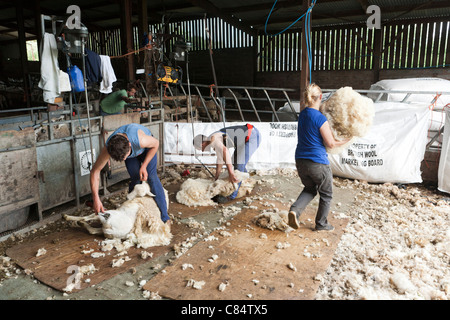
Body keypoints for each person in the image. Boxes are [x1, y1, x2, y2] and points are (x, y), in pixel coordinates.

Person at [288, 84, 350, 232]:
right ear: (321, 97)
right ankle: (321, 224)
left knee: (310, 188)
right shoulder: (320, 118)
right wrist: (347, 140)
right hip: (317, 162)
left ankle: (295, 211)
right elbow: (331, 143)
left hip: (301, 161)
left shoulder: (302, 114)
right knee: (326, 194)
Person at [90, 123, 170, 224]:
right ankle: (132, 215)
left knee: (151, 176)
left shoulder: (141, 140)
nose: (123, 159)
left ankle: (165, 217)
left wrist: (144, 166)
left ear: (130, 144)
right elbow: (95, 171)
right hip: (131, 154)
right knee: (135, 177)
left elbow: (156, 144)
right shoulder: (108, 148)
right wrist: (96, 198)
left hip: (147, 149)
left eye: (125, 156)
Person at [193, 123, 261, 202]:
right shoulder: (212, 139)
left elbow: (225, 151)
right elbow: (220, 158)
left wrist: (231, 173)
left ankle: (231, 195)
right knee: (235, 164)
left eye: (199, 149)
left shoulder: (213, 139)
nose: (202, 150)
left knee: (238, 165)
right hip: (245, 138)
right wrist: (217, 176)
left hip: (252, 136)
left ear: (202, 144)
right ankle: (245, 180)